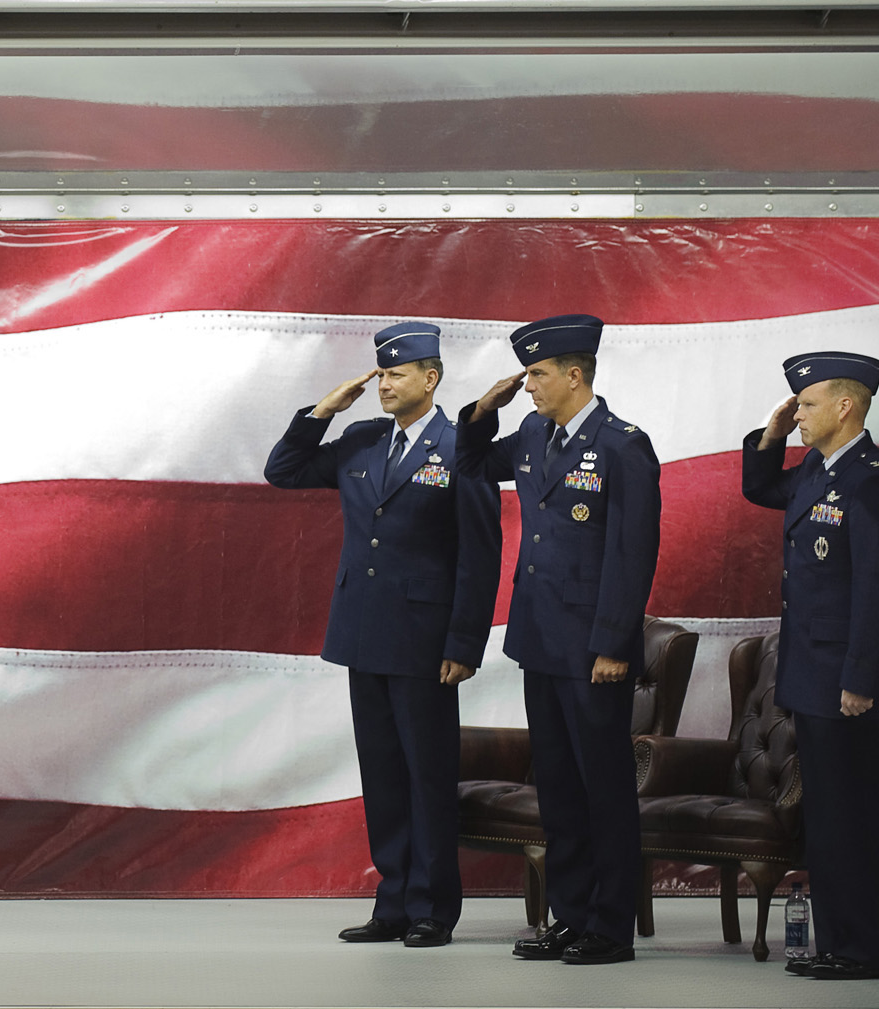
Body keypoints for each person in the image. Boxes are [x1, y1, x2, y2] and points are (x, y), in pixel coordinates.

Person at [265, 322, 500, 948]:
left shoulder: (461, 447)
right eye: (381, 374)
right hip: (363, 633)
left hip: (426, 639)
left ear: (431, 377)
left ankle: (430, 909)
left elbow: (480, 555)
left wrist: (464, 644)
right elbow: (282, 470)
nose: (385, 384)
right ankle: (392, 901)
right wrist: (321, 412)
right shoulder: (362, 440)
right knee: (384, 776)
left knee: (427, 776)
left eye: (397, 374)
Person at [456, 314, 659, 966]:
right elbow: (470, 464)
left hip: (592, 649)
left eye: (538, 374)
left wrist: (613, 644)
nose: (530, 385)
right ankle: (570, 916)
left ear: (576, 375)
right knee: (561, 792)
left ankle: (610, 925)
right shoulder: (531, 433)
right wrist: (483, 411)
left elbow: (632, 555)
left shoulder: (623, 445)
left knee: (604, 789)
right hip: (539, 640)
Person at [742, 351, 879, 981]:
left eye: (807, 404)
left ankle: (867, 950)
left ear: (846, 406)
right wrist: (774, 433)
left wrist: (860, 678)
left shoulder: (871, 479)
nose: (799, 413)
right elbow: (760, 485)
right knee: (829, 819)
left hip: (846, 678)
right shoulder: (818, 469)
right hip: (813, 673)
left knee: (856, 817)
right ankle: (840, 943)